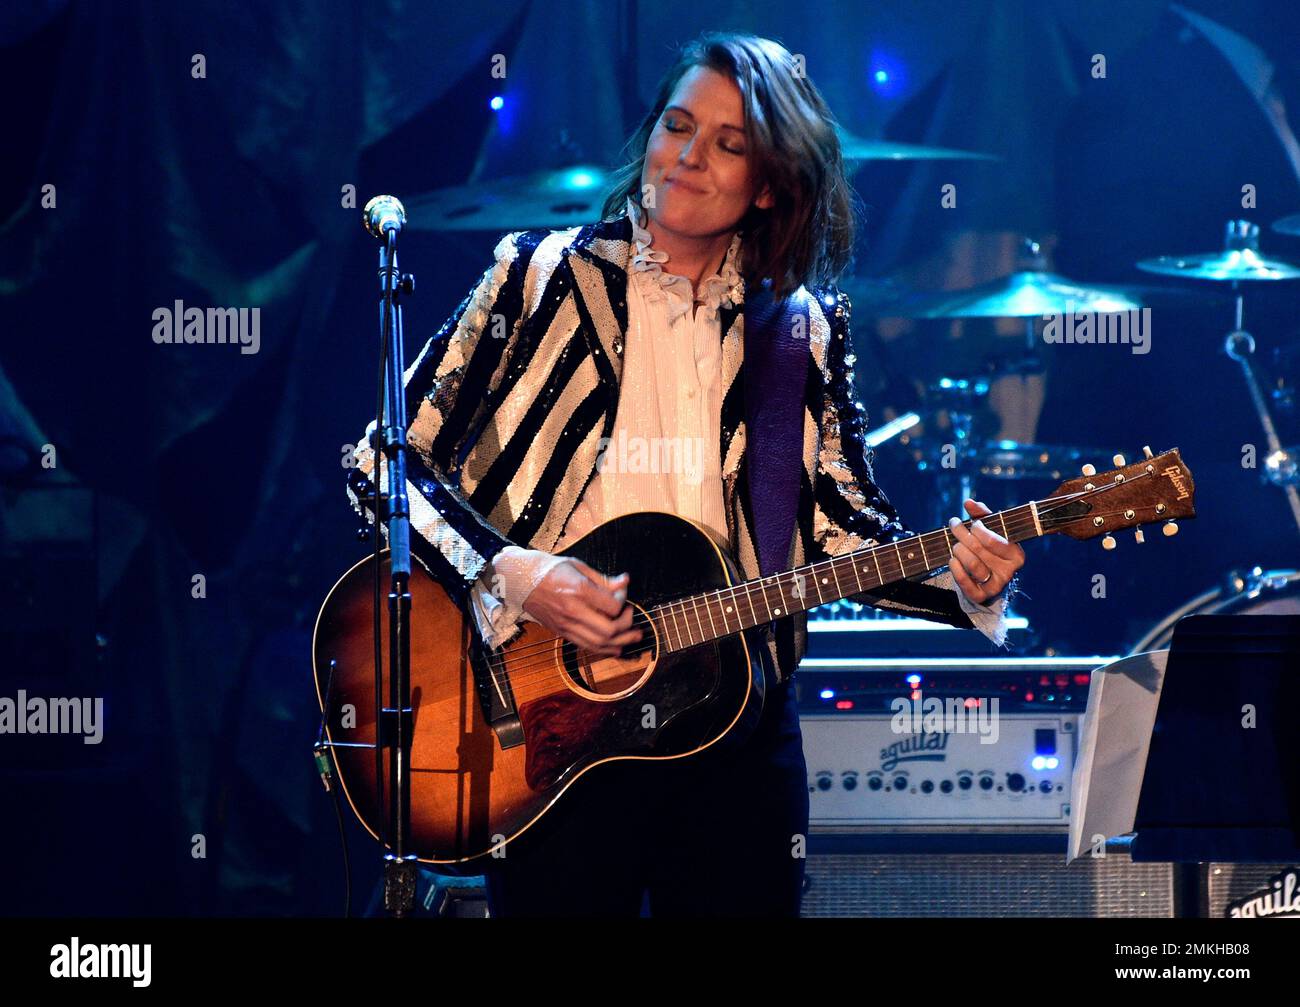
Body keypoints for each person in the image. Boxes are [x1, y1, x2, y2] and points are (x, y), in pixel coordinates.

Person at [348, 31, 1026, 917]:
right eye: (676, 125)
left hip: (737, 734)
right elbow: (383, 462)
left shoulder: (801, 330)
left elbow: (841, 527)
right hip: (551, 725)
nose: (687, 157)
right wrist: (519, 575)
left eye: (728, 143)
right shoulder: (537, 278)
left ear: (773, 182)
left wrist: (961, 576)